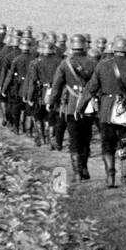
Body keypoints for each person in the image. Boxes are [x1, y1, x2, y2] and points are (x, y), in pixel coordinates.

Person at [79, 36, 126, 188]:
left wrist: (80, 107)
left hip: (106, 111)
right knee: (125, 144)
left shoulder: (102, 65)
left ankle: (110, 177)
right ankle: (125, 178)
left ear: (114, 49)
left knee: (107, 145)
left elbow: (91, 88)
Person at [50, 34, 98, 181]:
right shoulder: (93, 63)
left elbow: (57, 86)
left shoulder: (65, 64)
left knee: (74, 140)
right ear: (84, 46)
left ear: (72, 46)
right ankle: (84, 169)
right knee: (86, 139)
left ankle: (77, 173)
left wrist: (52, 102)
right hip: (88, 106)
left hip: (71, 106)